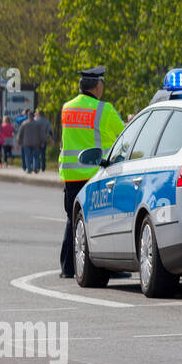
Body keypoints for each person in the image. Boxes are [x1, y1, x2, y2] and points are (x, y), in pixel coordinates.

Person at [59, 66, 126, 279]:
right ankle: (107, 268)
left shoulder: (66, 108)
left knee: (73, 219)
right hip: (96, 175)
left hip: (71, 175)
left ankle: (68, 268)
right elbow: (125, 135)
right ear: (97, 86)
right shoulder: (103, 110)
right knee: (102, 221)